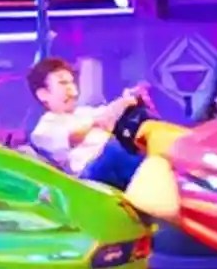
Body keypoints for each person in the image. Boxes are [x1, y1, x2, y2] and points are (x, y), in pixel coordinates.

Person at [28, 56, 149, 190]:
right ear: (43, 94)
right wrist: (95, 124)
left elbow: (109, 112)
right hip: (87, 178)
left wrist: (127, 99)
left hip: (110, 164)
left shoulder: (83, 112)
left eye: (71, 82)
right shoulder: (44, 128)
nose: (71, 89)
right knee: (113, 149)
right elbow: (72, 137)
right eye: (63, 83)